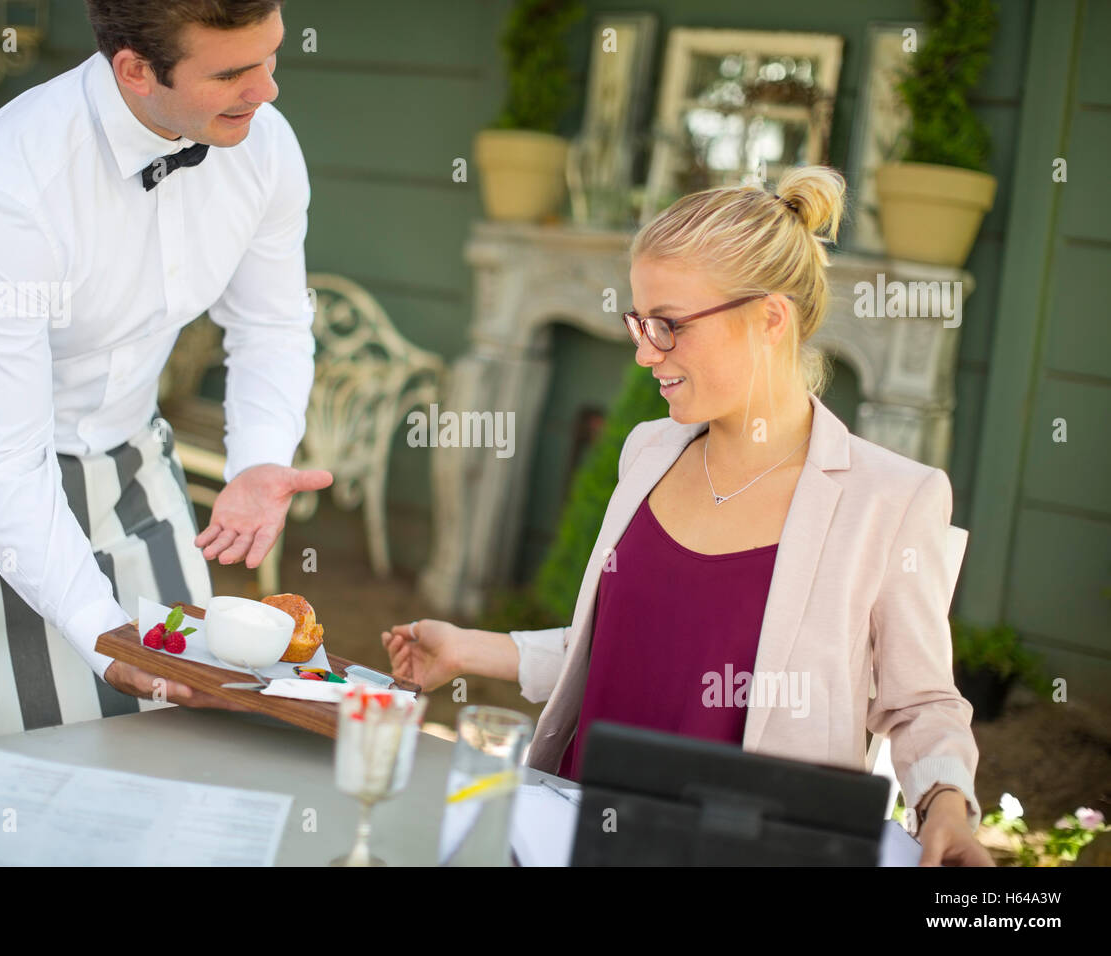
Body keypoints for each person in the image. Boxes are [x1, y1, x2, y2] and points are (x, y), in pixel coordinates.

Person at [384, 166, 993, 866]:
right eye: (641, 323)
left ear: (770, 318)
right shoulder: (648, 452)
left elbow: (921, 705)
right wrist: (468, 648)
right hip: (569, 837)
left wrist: (946, 805)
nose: (645, 352)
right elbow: (626, 645)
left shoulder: (889, 499)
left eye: (669, 325)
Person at [0, 0, 331, 757]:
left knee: (187, 728)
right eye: (233, 72)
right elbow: (6, 461)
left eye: (270, 58)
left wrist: (259, 457)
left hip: (131, 455)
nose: (266, 91)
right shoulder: (2, 196)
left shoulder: (262, 145)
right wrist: (107, 640)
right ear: (135, 70)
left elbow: (271, 324)